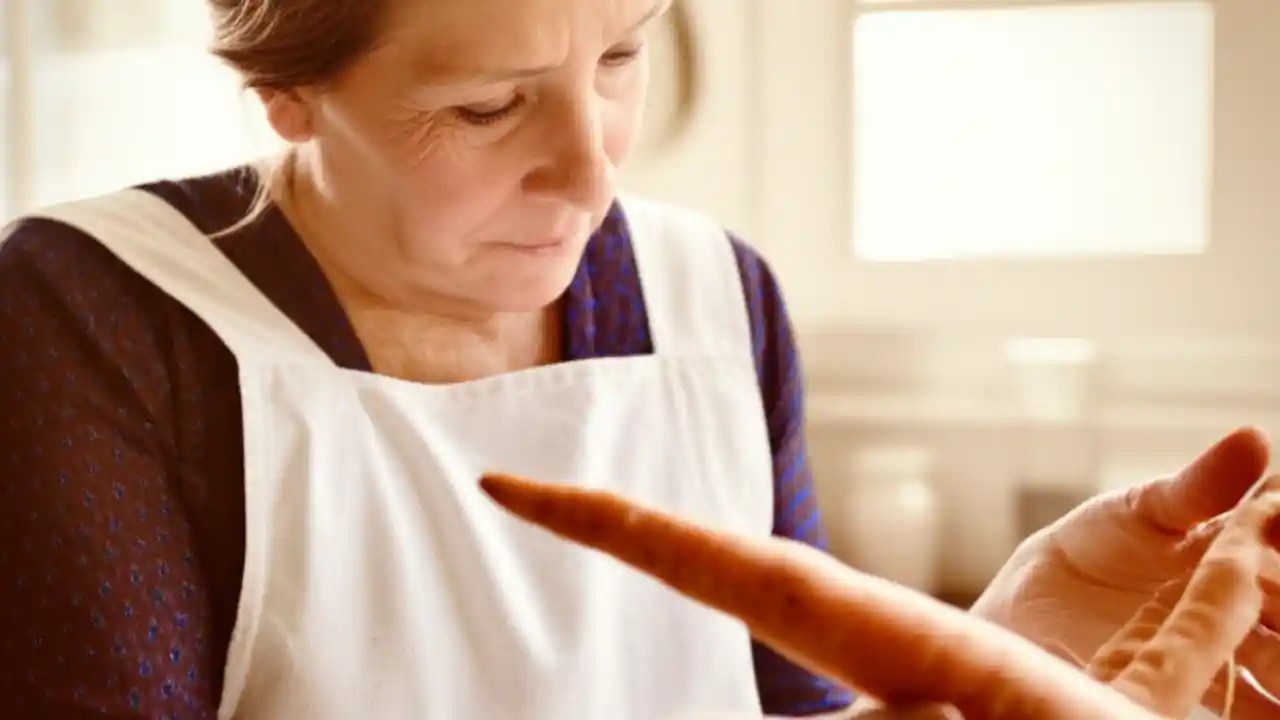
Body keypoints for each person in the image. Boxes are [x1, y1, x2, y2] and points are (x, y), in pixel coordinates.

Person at [0, 0, 1273, 718]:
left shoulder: (718, 295)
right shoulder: (100, 313)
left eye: (619, 55)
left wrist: (992, 661)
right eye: (487, 106)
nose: (595, 165)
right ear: (286, 90)